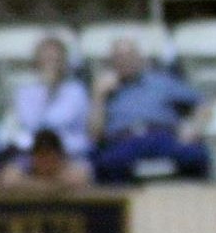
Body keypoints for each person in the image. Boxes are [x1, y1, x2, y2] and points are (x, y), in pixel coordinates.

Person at [88, 37, 209, 183]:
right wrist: (99, 97)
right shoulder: (104, 90)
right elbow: (95, 135)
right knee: (104, 165)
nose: (125, 61)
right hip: (125, 141)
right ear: (112, 62)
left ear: (139, 58)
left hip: (161, 136)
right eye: (119, 57)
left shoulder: (161, 82)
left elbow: (203, 103)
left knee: (196, 155)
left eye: (130, 56)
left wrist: (194, 127)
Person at [0, 35, 91, 160]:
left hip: (69, 152)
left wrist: (52, 90)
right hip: (32, 152)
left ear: (63, 62)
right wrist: (46, 93)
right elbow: (31, 123)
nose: (51, 65)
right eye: (47, 59)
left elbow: (61, 121)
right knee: (11, 175)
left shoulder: (76, 91)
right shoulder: (25, 91)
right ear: (37, 62)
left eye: (55, 60)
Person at [0, 128, 94, 191]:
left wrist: (33, 185)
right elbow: (9, 180)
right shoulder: (25, 163)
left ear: (59, 156)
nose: (45, 161)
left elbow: (81, 178)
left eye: (49, 155)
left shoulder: (70, 164)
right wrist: (49, 186)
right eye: (41, 155)